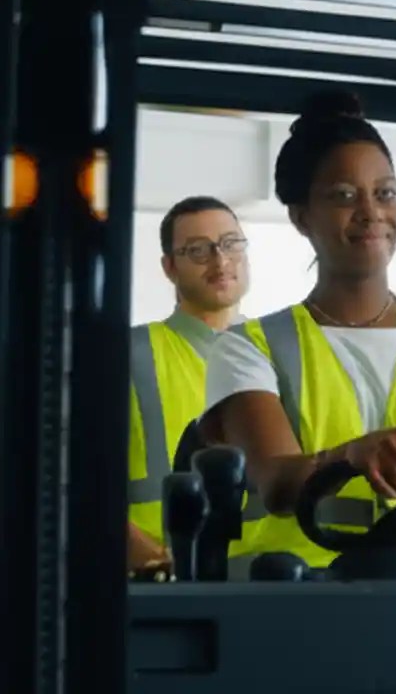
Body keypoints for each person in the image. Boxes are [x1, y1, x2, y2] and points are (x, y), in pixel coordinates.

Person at [200, 91, 396, 568]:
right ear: (301, 216)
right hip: (305, 604)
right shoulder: (247, 350)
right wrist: (349, 456)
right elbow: (279, 483)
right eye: (344, 196)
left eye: (385, 192)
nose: (371, 211)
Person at [127, 195, 257, 571]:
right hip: (151, 585)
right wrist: (152, 561)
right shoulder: (130, 354)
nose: (220, 260)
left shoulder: (276, 355)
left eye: (231, 244)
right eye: (198, 250)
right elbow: (70, 476)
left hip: (260, 584)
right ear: (170, 267)